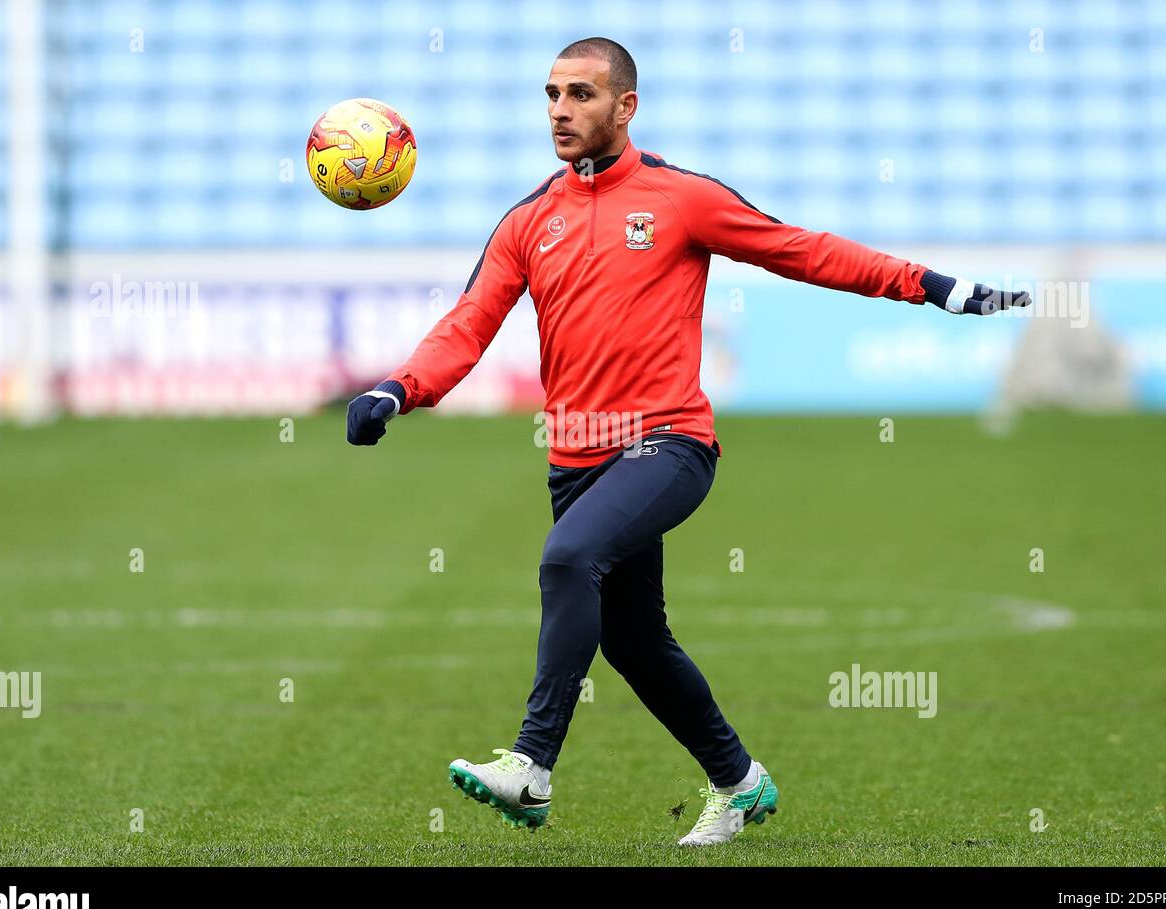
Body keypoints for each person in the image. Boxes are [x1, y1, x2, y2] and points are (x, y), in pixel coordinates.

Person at [347, 37, 1029, 846]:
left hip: (668, 444)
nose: (561, 110)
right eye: (552, 94)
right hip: (575, 457)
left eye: (581, 94)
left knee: (568, 559)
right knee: (635, 642)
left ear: (624, 107)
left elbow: (802, 251)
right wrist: (398, 389)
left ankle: (531, 767)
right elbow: (468, 325)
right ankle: (739, 782)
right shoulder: (528, 220)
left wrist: (936, 288)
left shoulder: (680, 198)